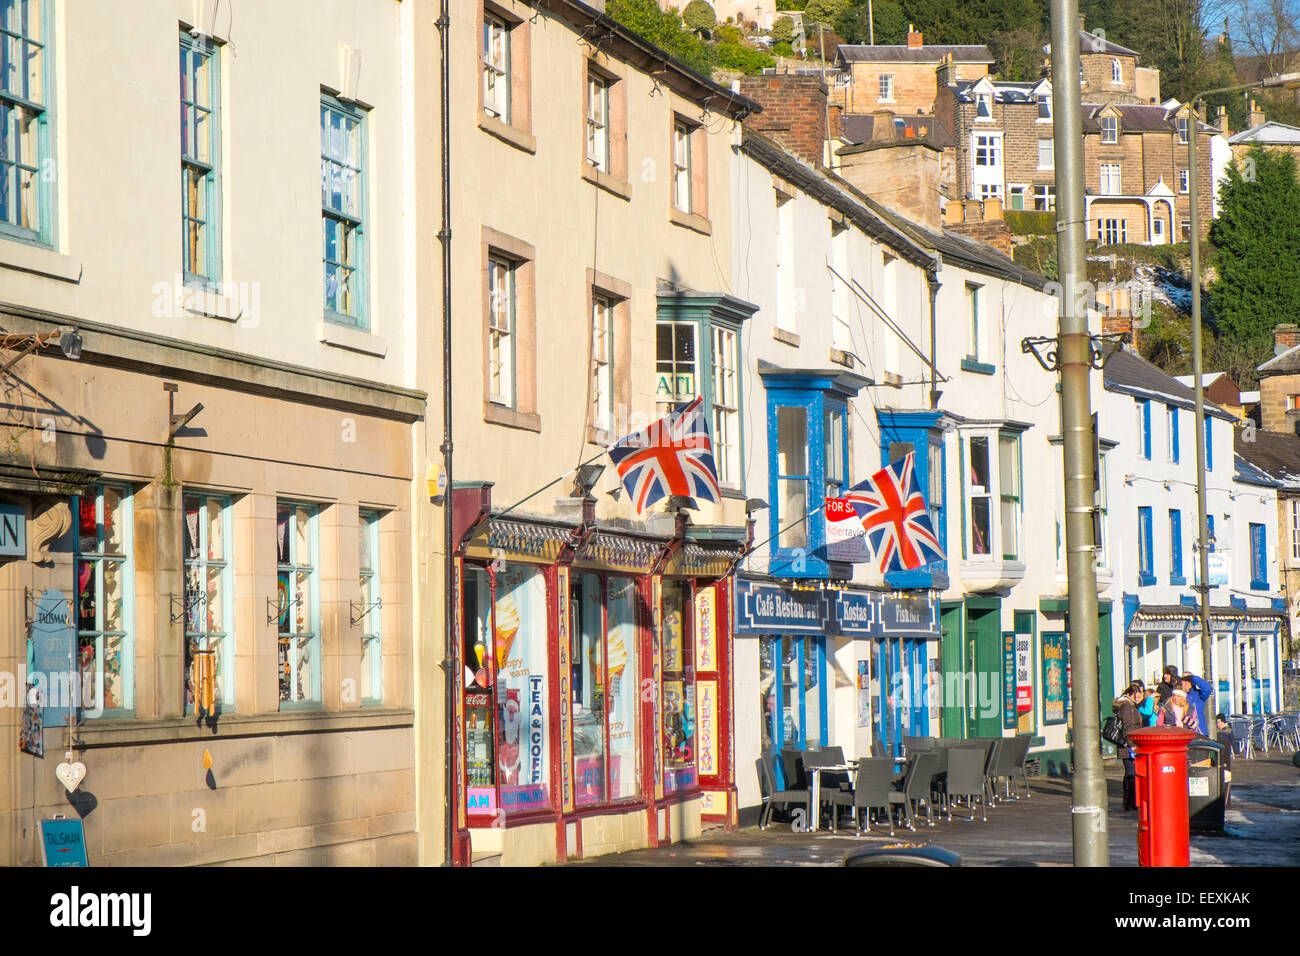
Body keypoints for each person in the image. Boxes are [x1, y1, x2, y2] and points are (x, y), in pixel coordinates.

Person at [1113, 682, 1145, 811]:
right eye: (1135, 696)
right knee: (1131, 774)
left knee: (1130, 773)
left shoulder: (1129, 706)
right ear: (1128, 694)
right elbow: (1129, 727)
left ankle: (1129, 802)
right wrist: (1133, 745)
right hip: (1129, 745)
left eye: (1139, 696)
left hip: (1128, 744)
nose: (1137, 698)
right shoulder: (1127, 706)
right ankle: (1130, 803)